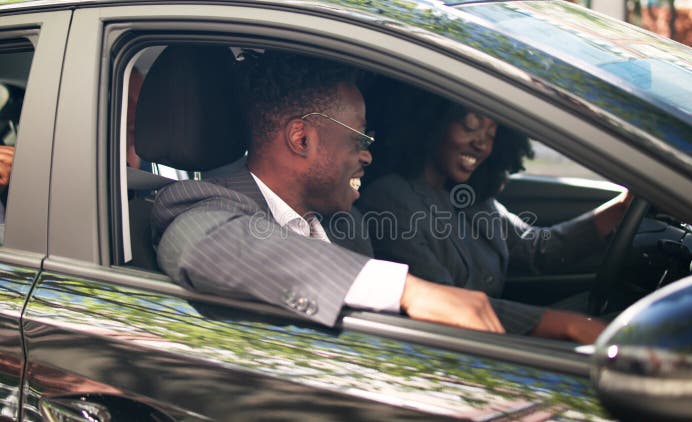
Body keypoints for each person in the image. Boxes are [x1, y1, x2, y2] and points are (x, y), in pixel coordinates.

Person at [152, 50, 602, 342]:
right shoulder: (202, 205)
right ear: (301, 139)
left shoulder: (343, 223)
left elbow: (426, 312)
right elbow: (213, 245)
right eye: (359, 139)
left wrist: (556, 325)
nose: (369, 155)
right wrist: (408, 290)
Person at [358, 83, 629, 314]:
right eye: (470, 127)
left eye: (491, 134)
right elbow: (447, 305)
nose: (482, 144)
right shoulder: (389, 201)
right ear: (432, 122)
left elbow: (536, 249)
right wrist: (557, 324)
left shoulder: (474, 200)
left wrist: (622, 207)